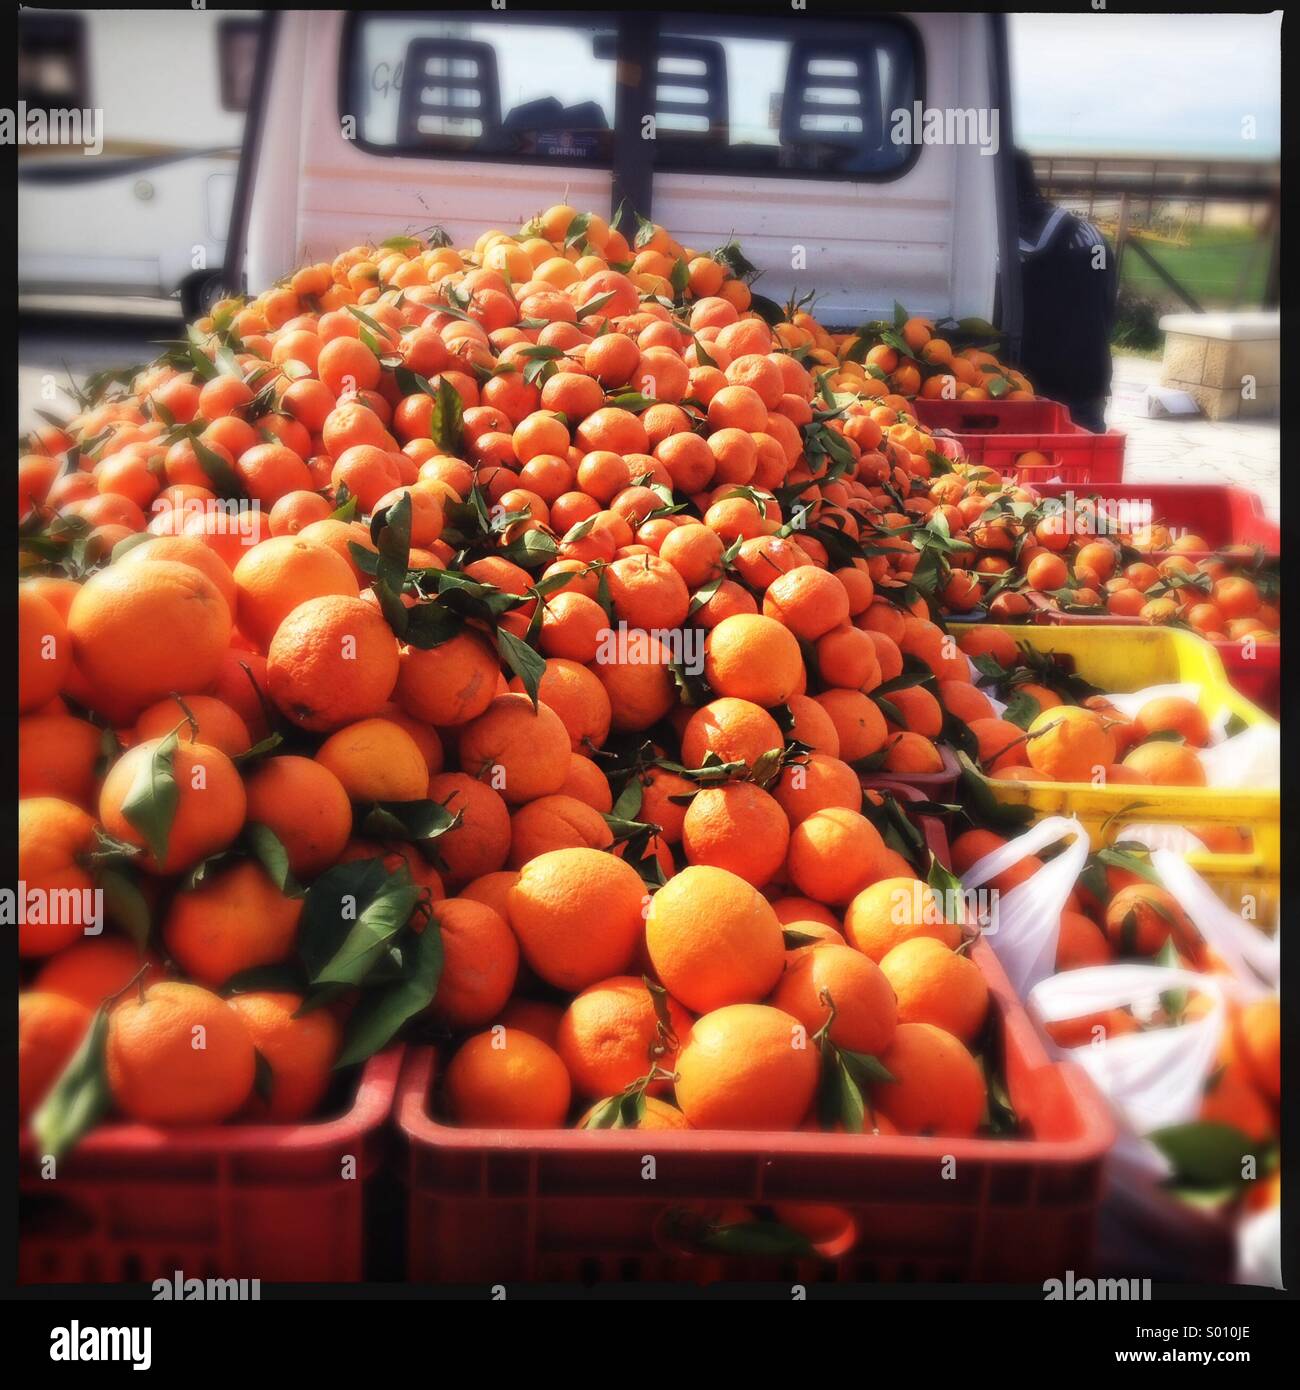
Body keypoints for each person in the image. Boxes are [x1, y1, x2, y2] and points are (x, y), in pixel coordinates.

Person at [1013, 150, 1118, 433]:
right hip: (1088, 381)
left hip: (1023, 390)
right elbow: (1107, 311)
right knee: (1082, 468)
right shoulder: (1090, 234)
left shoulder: (997, 239)